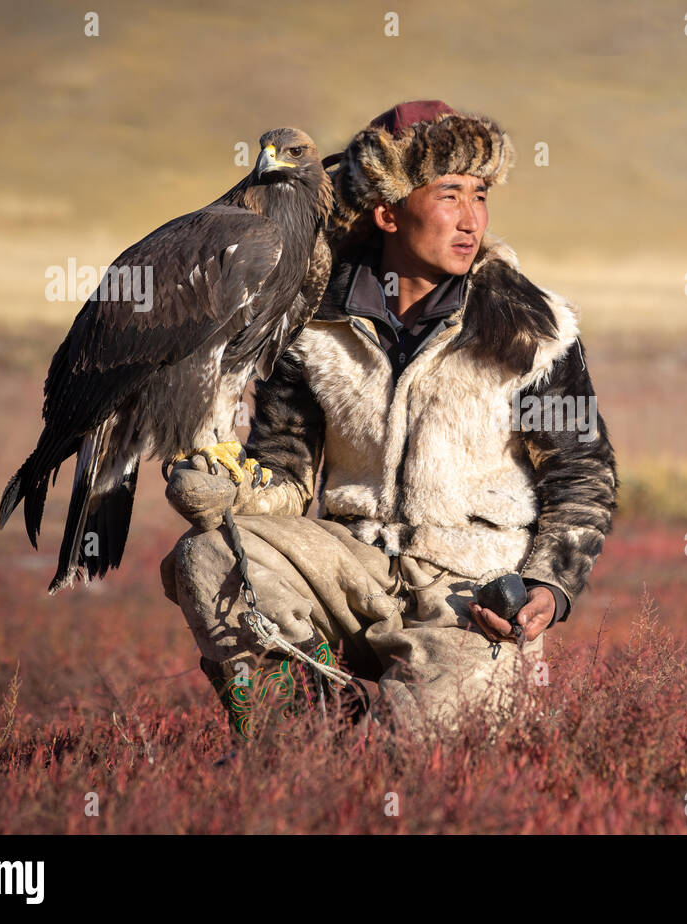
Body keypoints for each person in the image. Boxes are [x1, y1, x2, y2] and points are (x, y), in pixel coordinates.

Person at [159, 100, 618, 741]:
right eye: (449, 194)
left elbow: (582, 477)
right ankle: (297, 737)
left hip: (469, 592)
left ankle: (388, 729)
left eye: (479, 195)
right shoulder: (312, 323)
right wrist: (233, 489)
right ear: (387, 211)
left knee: (417, 747)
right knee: (210, 557)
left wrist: (547, 585)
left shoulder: (529, 329)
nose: (470, 219)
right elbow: (285, 466)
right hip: (352, 566)